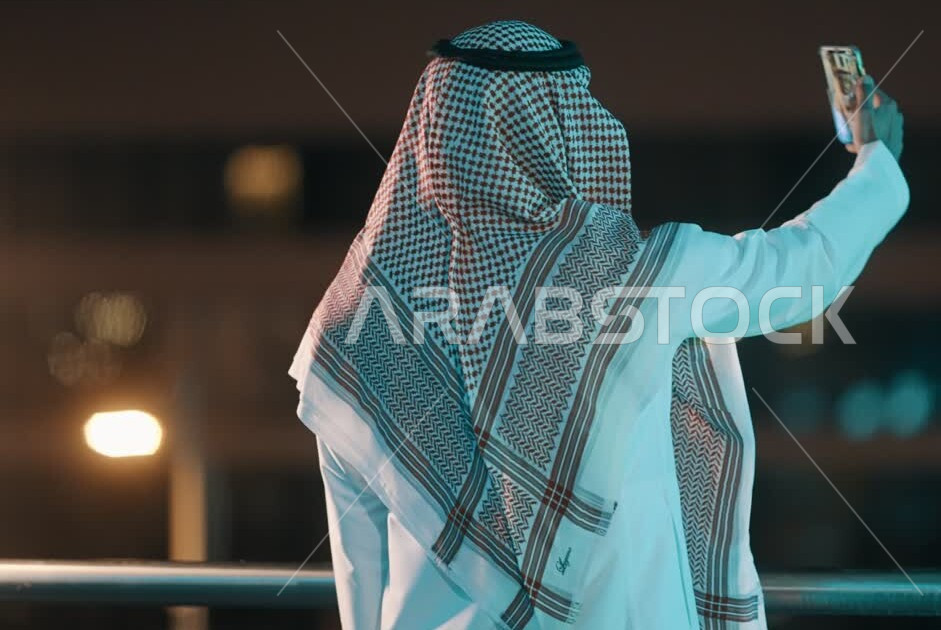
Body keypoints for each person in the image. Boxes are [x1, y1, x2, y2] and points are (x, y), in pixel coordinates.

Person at [289, 19, 907, 630]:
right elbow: (801, 267)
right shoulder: (639, 279)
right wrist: (875, 163)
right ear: (562, 128)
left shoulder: (353, 322)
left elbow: (359, 561)